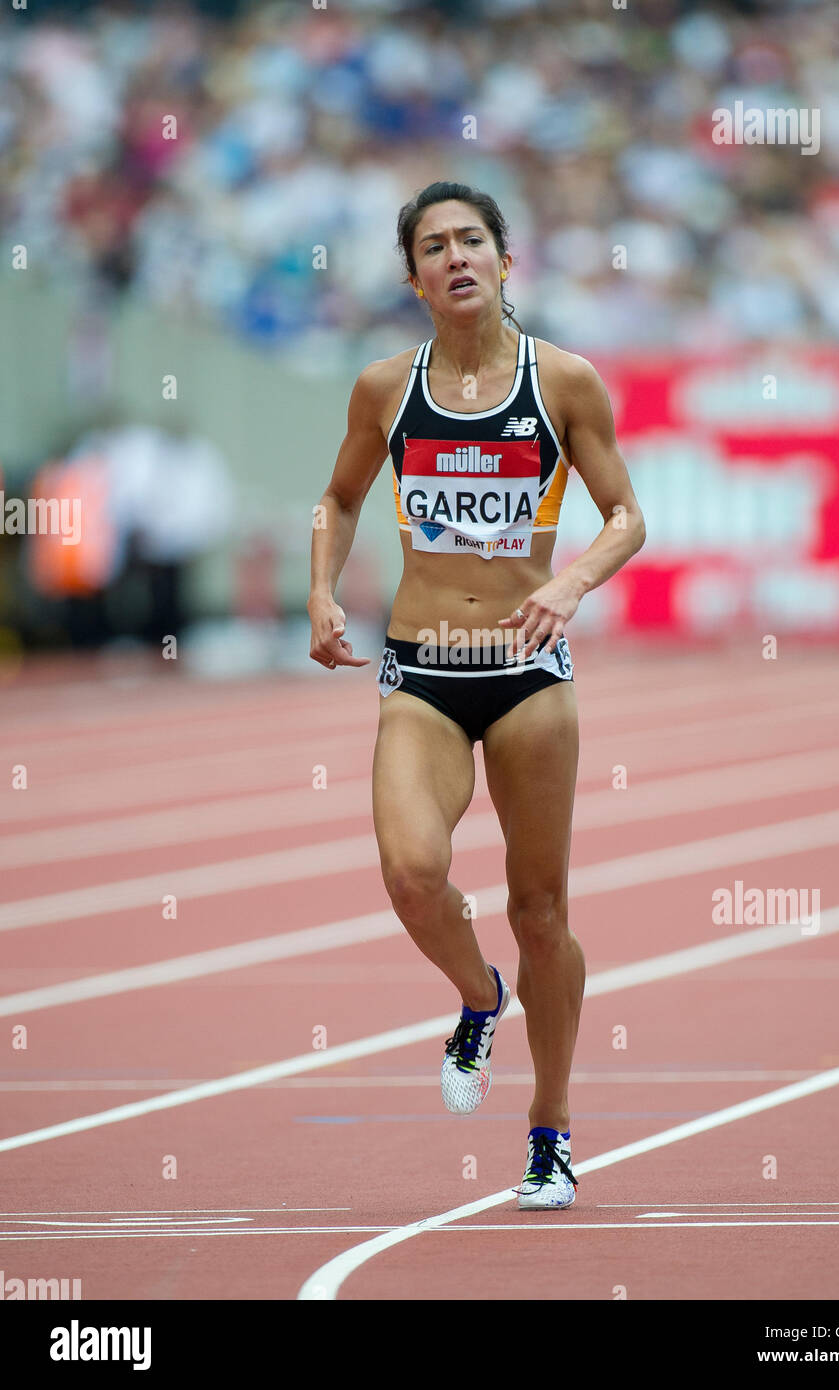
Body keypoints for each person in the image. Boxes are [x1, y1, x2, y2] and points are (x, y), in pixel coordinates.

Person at [308, 181, 645, 1209]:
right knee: (413, 872)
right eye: (434, 247)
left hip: (527, 672)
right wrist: (320, 589)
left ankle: (550, 1125)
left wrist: (573, 577)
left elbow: (627, 513)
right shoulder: (383, 389)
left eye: (472, 241)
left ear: (506, 262)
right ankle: (476, 996)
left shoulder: (565, 383)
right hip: (424, 666)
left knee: (541, 909)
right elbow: (338, 497)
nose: (456, 257)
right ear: (414, 280)